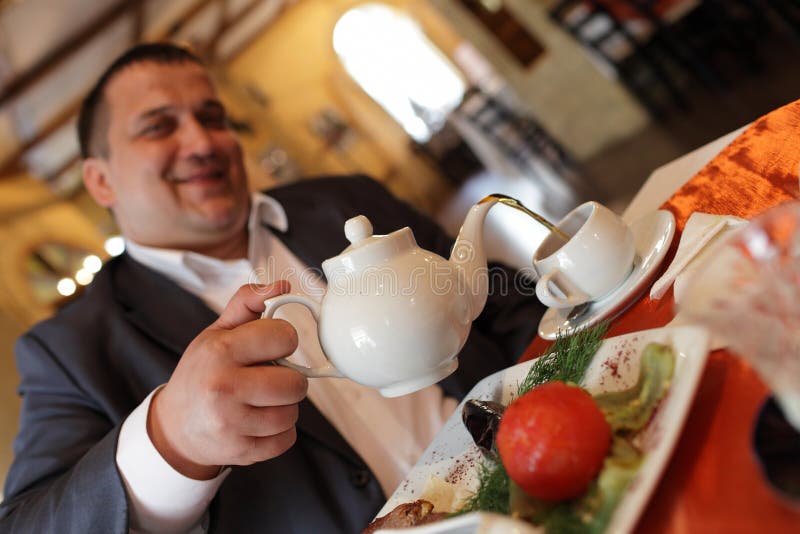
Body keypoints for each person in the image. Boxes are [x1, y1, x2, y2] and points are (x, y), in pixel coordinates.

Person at [0, 43, 544, 533]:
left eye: (212, 117)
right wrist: (170, 441)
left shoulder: (348, 199)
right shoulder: (71, 350)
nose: (202, 142)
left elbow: (506, 305)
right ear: (100, 180)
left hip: (541, 450)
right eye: (159, 127)